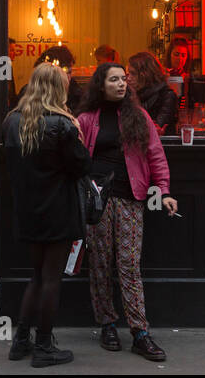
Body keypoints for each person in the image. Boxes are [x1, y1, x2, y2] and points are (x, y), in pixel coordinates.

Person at [76, 62, 178, 361]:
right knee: (100, 264)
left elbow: (155, 154)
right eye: (114, 80)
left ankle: (139, 332)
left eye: (124, 79)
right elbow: (75, 160)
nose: (121, 84)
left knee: (130, 266)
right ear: (101, 84)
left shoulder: (139, 116)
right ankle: (107, 323)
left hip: (130, 198)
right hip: (97, 201)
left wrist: (164, 190)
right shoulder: (85, 119)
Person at [1, 62, 92, 367]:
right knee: (52, 279)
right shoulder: (63, 125)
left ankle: (20, 341)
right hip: (58, 210)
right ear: (60, 88)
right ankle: (43, 347)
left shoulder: (12, 121)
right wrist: (78, 135)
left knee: (37, 276)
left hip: (27, 210)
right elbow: (81, 166)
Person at [127, 51, 179, 136]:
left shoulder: (167, 96)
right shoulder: (132, 93)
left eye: (133, 74)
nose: (128, 78)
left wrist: (135, 99)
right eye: (128, 73)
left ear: (146, 74)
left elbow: (155, 129)